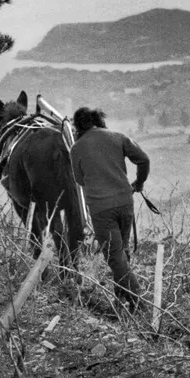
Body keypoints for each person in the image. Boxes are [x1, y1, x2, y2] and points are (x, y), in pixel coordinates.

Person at [70, 107, 150, 311]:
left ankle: (140, 305)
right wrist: (138, 183)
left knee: (115, 257)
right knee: (121, 252)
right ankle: (122, 300)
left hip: (101, 209)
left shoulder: (77, 148)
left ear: (78, 126)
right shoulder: (118, 137)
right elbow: (144, 159)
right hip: (125, 203)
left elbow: (79, 180)